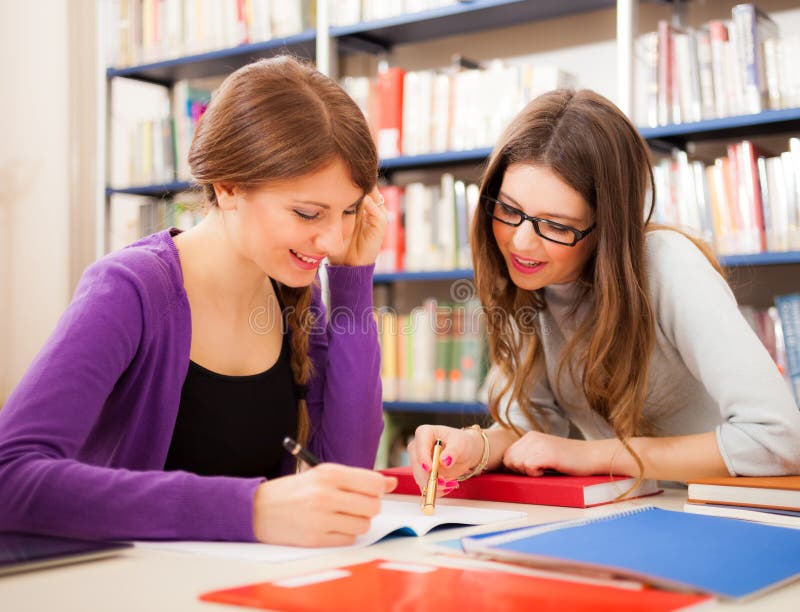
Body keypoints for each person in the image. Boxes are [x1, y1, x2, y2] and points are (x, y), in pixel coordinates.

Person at [0, 56, 396, 546]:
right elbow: (10, 478)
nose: (334, 240)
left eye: (350, 211)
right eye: (308, 213)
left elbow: (344, 476)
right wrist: (247, 510)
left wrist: (353, 280)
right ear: (229, 187)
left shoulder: (297, 297)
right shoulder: (131, 289)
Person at [409, 89, 800, 494]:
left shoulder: (669, 266)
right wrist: (475, 445)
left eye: (557, 226)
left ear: (607, 230)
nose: (521, 243)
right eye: (508, 210)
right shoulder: (531, 278)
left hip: (723, 513)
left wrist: (590, 454)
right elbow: (535, 424)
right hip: (636, 511)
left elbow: (779, 439)